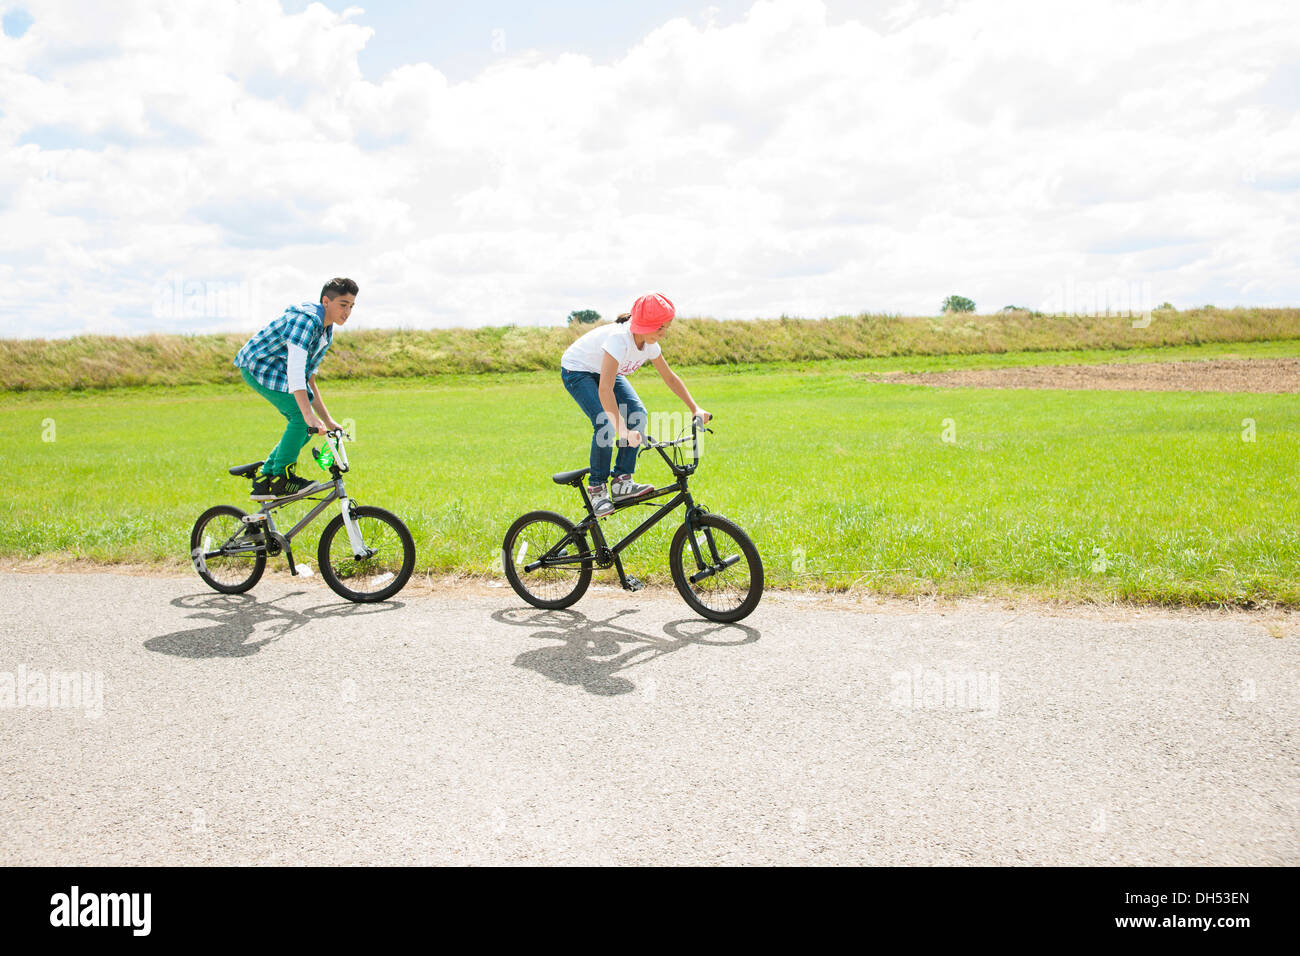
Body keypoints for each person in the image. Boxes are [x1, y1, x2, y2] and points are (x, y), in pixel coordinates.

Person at [559, 292, 711, 517]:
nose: (664, 334)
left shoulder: (649, 344)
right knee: (605, 424)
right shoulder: (619, 340)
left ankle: (622, 481)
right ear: (645, 324)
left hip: (603, 371)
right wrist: (622, 430)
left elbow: (669, 377)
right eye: (661, 328)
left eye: (666, 327)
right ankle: (597, 489)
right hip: (578, 371)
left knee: (637, 413)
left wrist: (694, 407)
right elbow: (605, 389)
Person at [233, 277, 355, 499]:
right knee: (301, 419)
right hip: (259, 366)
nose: (347, 312)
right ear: (326, 301)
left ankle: (266, 478)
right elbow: (296, 372)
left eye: (351, 307)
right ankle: (281, 478)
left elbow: (309, 381)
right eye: (343, 305)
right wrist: (307, 415)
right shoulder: (306, 322)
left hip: (280, 370)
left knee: (307, 429)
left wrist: (326, 421)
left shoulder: (325, 333)